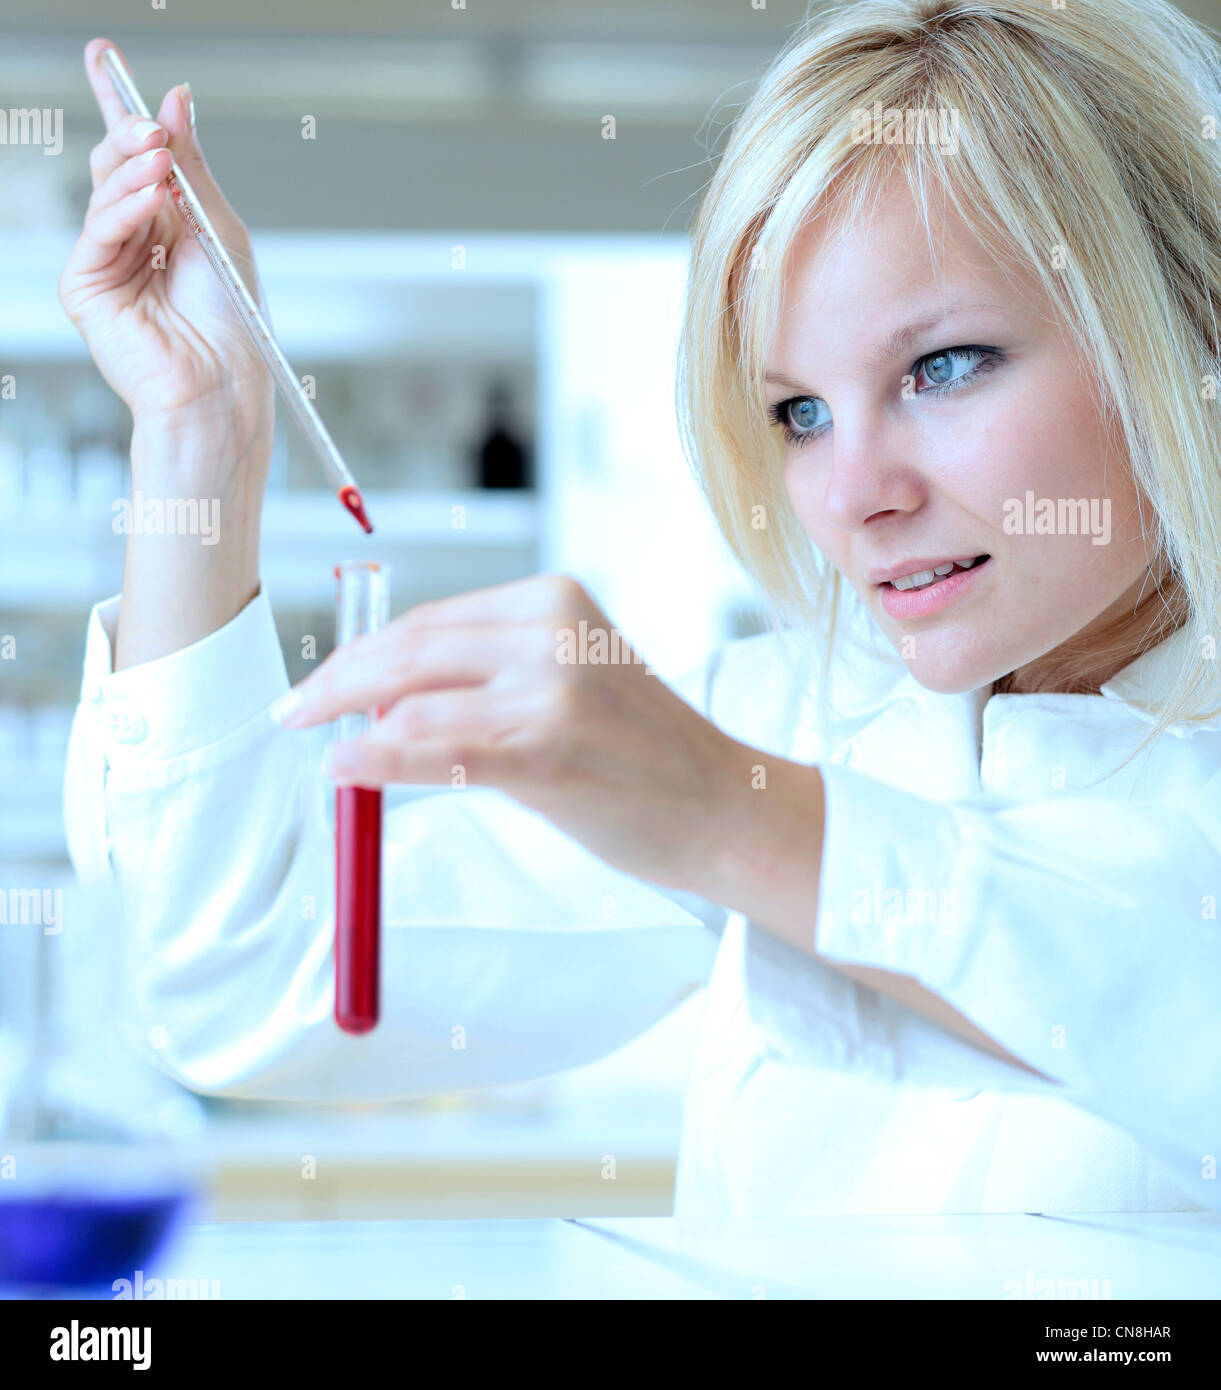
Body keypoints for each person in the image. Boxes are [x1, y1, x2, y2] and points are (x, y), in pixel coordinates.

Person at [59, 0, 1221, 1220]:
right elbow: (241, 978)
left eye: (942, 366)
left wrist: (721, 813)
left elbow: (1148, 972)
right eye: (800, 412)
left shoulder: (740, 777)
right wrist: (205, 434)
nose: (854, 495)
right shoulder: (788, 721)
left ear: (1183, 317)